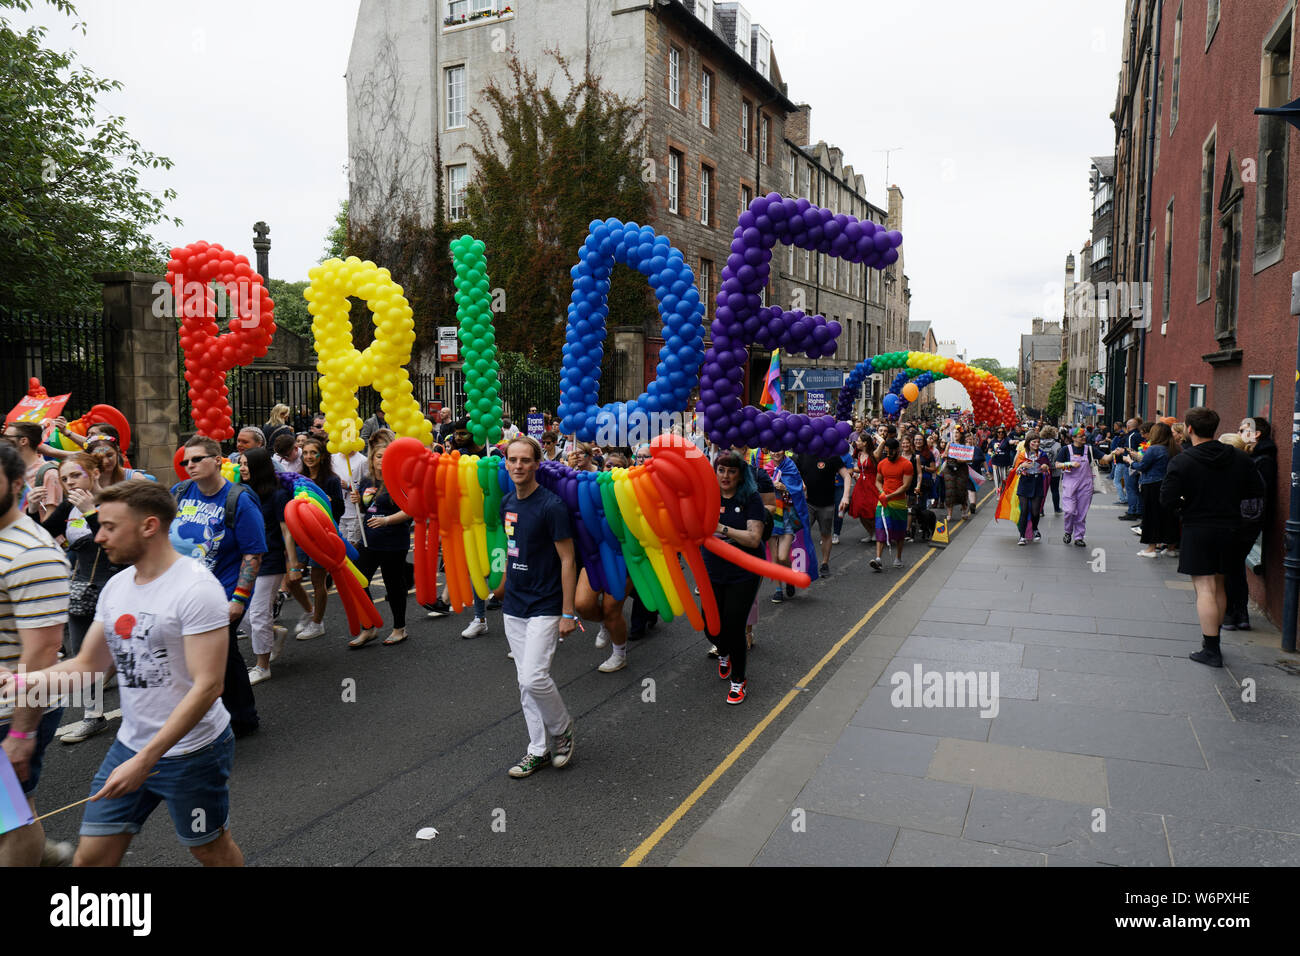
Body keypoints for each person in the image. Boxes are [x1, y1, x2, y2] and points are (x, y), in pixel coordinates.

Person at [1, 480, 244, 865]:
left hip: (194, 752)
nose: (98, 537)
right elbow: (88, 665)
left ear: (149, 526)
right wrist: (21, 681)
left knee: (208, 849)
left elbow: (208, 686)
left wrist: (146, 760)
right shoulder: (116, 586)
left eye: (110, 526)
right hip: (130, 747)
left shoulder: (197, 589)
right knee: (89, 860)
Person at [0, 443, 71, 867]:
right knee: (10, 815)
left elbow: (42, 651)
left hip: (10, 712)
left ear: (16, 484)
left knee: (10, 820)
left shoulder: (32, 553)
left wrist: (21, 735)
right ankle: (39, 853)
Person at [169, 435, 265, 738]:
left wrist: (239, 599)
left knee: (218, 656)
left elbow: (253, 554)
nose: (190, 465)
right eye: (186, 461)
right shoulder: (180, 492)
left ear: (219, 460)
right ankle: (213, 712)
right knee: (205, 656)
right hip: (182, 592)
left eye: (197, 459)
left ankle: (241, 718)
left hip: (218, 594)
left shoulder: (239, 500)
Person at [494, 436, 578, 776]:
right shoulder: (506, 503)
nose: (517, 466)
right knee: (523, 682)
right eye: (512, 460)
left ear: (536, 464)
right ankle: (537, 749)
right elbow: (512, 547)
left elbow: (568, 560)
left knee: (533, 677)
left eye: (524, 460)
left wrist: (568, 612)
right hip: (514, 603)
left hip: (545, 604)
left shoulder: (551, 506)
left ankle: (562, 730)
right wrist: (501, 585)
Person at [1161, 407, 1264, 668]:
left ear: (1190, 429)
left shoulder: (1182, 461)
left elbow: (1167, 499)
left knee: (1205, 587)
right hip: (1231, 529)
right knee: (1219, 585)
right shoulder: (1240, 459)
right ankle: (1215, 641)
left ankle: (1211, 648)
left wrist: (1185, 507)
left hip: (1199, 528)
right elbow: (1255, 493)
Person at [39, 454, 125, 744]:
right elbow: (40, 534)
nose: (69, 483)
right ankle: (93, 716)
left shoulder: (117, 500)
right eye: (64, 479)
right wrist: (28, 510)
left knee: (131, 649)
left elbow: (118, 542)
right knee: (82, 655)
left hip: (117, 588)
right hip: (81, 590)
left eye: (75, 475)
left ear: (95, 473)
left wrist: (91, 512)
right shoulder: (68, 506)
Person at [702, 451, 766, 705]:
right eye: (721, 470)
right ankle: (724, 651)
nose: (725, 475)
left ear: (740, 475)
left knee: (733, 626)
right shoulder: (707, 495)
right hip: (712, 569)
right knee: (710, 626)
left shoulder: (750, 498)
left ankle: (738, 681)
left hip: (743, 570)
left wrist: (721, 528)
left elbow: (753, 538)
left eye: (731, 471)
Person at [347, 436, 412, 647]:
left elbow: (410, 510)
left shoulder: (399, 480)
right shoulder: (367, 480)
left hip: (393, 541)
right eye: (378, 456)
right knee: (358, 580)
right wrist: (359, 502)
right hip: (369, 540)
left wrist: (387, 521)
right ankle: (369, 627)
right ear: (372, 458)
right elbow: (368, 508)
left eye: (386, 457)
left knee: (394, 585)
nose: (382, 460)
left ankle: (399, 628)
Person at [239, 448, 296, 684]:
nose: (241, 467)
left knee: (259, 613)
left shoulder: (277, 495)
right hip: (245, 559)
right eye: (240, 463)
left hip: (270, 560)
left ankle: (262, 666)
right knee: (241, 612)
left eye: (246, 464)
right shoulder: (243, 492)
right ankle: (272, 635)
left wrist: (293, 563)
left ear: (259, 467)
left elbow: (287, 530)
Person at [293, 437, 345, 641]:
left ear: (322, 456)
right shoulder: (298, 478)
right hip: (301, 535)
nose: (308, 457)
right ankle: (308, 610)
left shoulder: (331, 480)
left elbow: (339, 510)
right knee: (291, 579)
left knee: (317, 581)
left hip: (322, 535)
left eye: (313, 453)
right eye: (305, 453)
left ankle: (317, 622)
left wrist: (328, 503)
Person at [795, 450, 852, 577]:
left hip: (827, 504)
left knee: (825, 534)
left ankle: (825, 563)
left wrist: (845, 496)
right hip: (807, 503)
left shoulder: (832, 455)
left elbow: (847, 476)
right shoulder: (803, 454)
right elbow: (795, 473)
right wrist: (801, 484)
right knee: (801, 534)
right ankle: (801, 564)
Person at [1131, 421, 1180, 558]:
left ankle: (1151, 548)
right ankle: (1171, 548)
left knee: (1151, 516)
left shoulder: (1154, 449)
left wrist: (1131, 462)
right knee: (1169, 517)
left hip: (1152, 485)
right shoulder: (1175, 448)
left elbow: (1143, 466)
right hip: (1170, 485)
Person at [3, 421, 62, 522]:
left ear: (23, 441)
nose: (3, 441)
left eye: (7, 438)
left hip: (35, 535)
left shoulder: (49, 473)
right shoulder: (10, 471)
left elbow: (52, 518)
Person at [870, 439, 914, 571]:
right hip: (883, 502)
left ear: (897, 450)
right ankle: (878, 559)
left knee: (899, 532)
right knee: (880, 528)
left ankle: (898, 558)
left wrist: (889, 496)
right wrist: (882, 492)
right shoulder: (882, 463)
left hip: (899, 503)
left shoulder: (907, 465)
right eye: (886, 452)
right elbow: (877, 481)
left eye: (890, 452)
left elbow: (905, 486)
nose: (888, 455)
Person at [1054, 428, 1095, 547]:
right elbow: (1057, 465)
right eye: (1080, 436)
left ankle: (1079, 537)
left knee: (1081, 513)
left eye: (1084, 436)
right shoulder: (1066, 449)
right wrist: (1069, 464)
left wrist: (1115, 454)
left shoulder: (1089, 449)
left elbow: (1105, 458)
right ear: (1073, 438)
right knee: (1069, 511)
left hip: (1086, 486)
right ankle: (1068, 531)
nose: (1083, 437)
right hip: (1070, 485)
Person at [1014, 431, 1050, 545]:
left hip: (1037, 483)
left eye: (1038, 442)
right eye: (1034, 442)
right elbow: (1016, 472)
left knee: (1035, 512)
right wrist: (1022, 466)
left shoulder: (1042, 454)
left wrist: (1045, 467)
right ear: (1029, 442)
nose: (1036, 444)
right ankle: (1022, 536)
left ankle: (1035, 529)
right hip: (1024, 484)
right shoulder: (1022, 454)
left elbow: (1047, 468)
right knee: (1024, 511)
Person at [847, 433, 879, 545]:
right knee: (859, 509)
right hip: (861, 484)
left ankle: (877, 532)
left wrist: (876, 435)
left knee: (873, 509)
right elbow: (860, 469)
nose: (856, 442)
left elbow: (883, 443)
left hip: (873, 483)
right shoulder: (860, 454)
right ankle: (871, 533)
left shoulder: (874, 454)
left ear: (865, 443)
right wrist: (848, 469)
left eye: (859, 440)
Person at [1038, 426, 1062, 516]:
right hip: (1055, 470)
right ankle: (1057, 509)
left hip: (1042, 470)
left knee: (1042, 490)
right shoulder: (1057, 445)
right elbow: (1059, 458)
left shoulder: (1039, 444)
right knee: (1055, 490)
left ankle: (1040, 510)